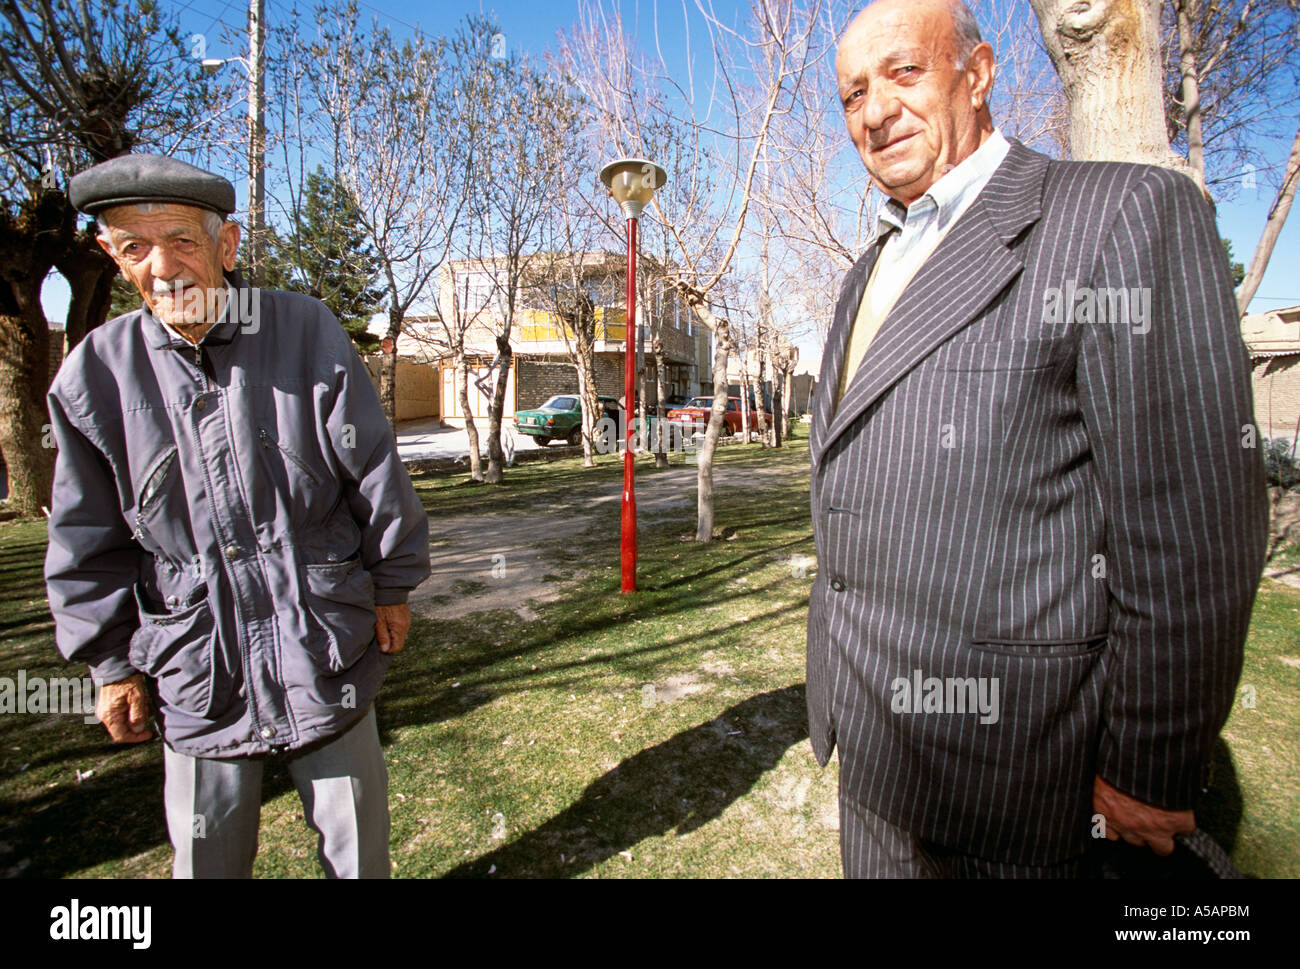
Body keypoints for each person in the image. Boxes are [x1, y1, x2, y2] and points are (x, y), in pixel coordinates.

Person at [806, 0, 1268, 877]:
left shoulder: (1118, 215)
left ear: (978, 74)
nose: (873, 111)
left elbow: (1191, 527)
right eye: (852, 93)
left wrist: (1148, 763)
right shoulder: (866, 272)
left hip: (1023, 785)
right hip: (873, 762)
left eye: (905, 72)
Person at [45, 154, 431, 878]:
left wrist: (393, 582)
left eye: (182, 241)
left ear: (226, 244)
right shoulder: (94, 376)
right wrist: (110, 661)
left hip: (324, 646)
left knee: (358, 854)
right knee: (206, 857)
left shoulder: (305, 330)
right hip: (195, 664)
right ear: (111, 256)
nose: (163, 268)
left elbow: (374, 470)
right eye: (134, 247)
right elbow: (84, 538)